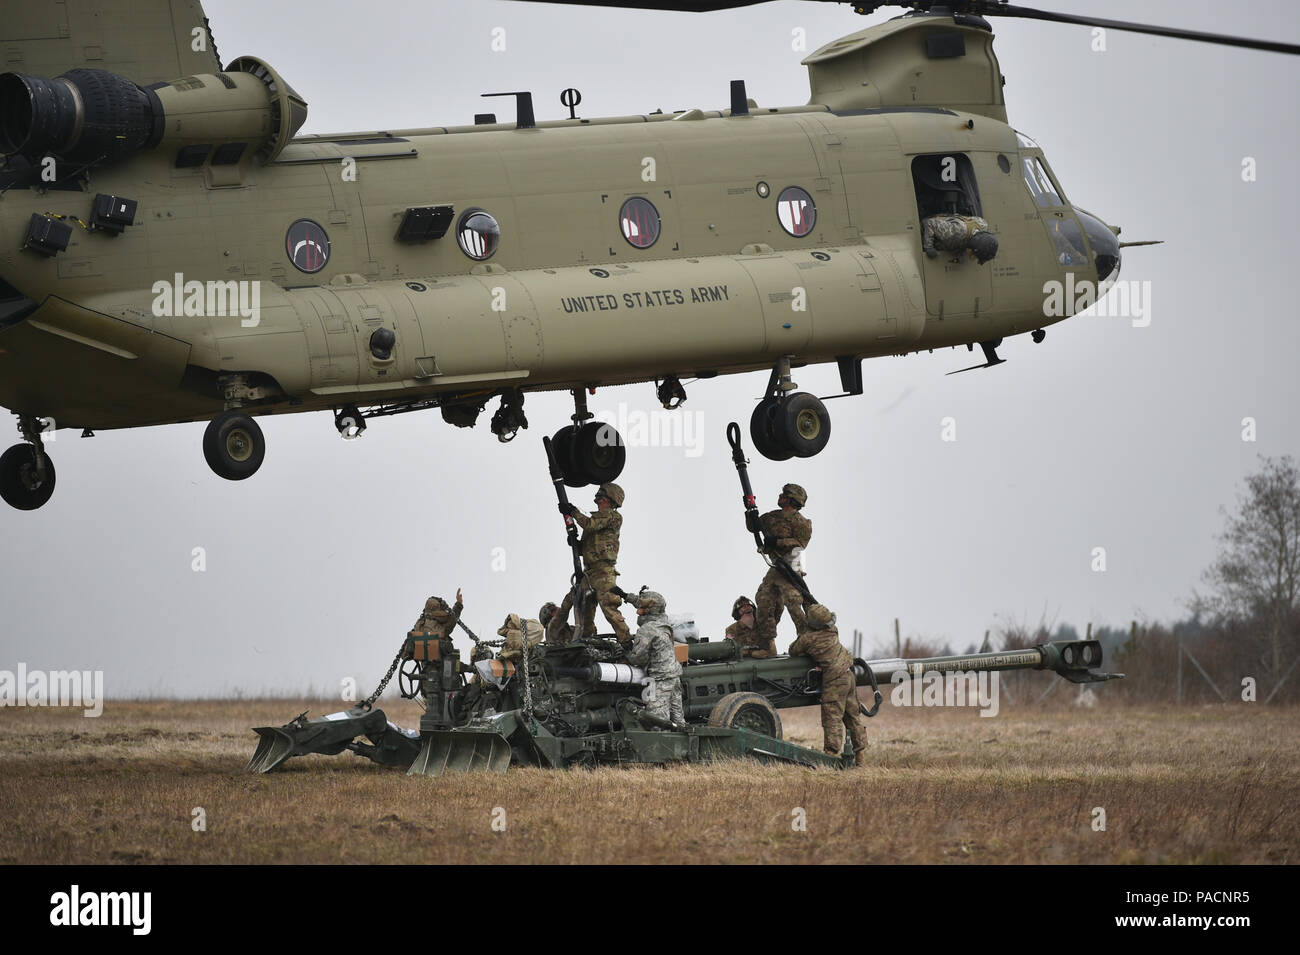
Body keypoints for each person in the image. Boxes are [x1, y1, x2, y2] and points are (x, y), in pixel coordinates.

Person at [788, 603, 866, 766]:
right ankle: (860, 756)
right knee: (853, 716)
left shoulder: (809, 639)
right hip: (849, 675)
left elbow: (793, 650)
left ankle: (830, 753)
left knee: (832, 716)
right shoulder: (832, 630)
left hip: (835, 679)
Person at [559, 482, 631, 644]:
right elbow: (586, 548)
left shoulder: (612, 516)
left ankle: (626, 643)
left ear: (610, 499)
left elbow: (589, 524)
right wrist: (575, 543)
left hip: (603, 572)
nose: (598, 498)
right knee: (585, 610)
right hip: (589, 573)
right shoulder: (597, 521)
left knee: (609, 608)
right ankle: (587, 641)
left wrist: (572, 511)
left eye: (602, 495)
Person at [749, 483, 812, 648]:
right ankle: (768, 644)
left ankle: (807, 638)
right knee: (764, 598)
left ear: (791, 499)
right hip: (777, 564)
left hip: (793, 562)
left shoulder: (802, 522)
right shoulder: (772, 517)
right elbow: (754, 527)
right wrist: (750, 512)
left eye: (784, 494)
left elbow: (800, 543)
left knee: (793, 600)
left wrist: (777, 542)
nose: (780, 496)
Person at [625, 589, 684, 728]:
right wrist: (626, 596)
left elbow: (637, 658)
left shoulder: (647, 629)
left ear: (649, 610)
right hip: (674, 676)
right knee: (678, 721)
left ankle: (664, 748)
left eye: (641, 608)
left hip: (661, 680)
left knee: (657, 722)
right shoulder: (663, 622)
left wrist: (626, 653)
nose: (638, 611)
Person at [921, 213, 999, 264]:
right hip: (928, 231)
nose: (973, 258)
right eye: (974, 256)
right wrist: (929, 247)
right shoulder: (955, 232)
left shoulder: (982, 225)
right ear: (971, 247)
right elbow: (929, 223)